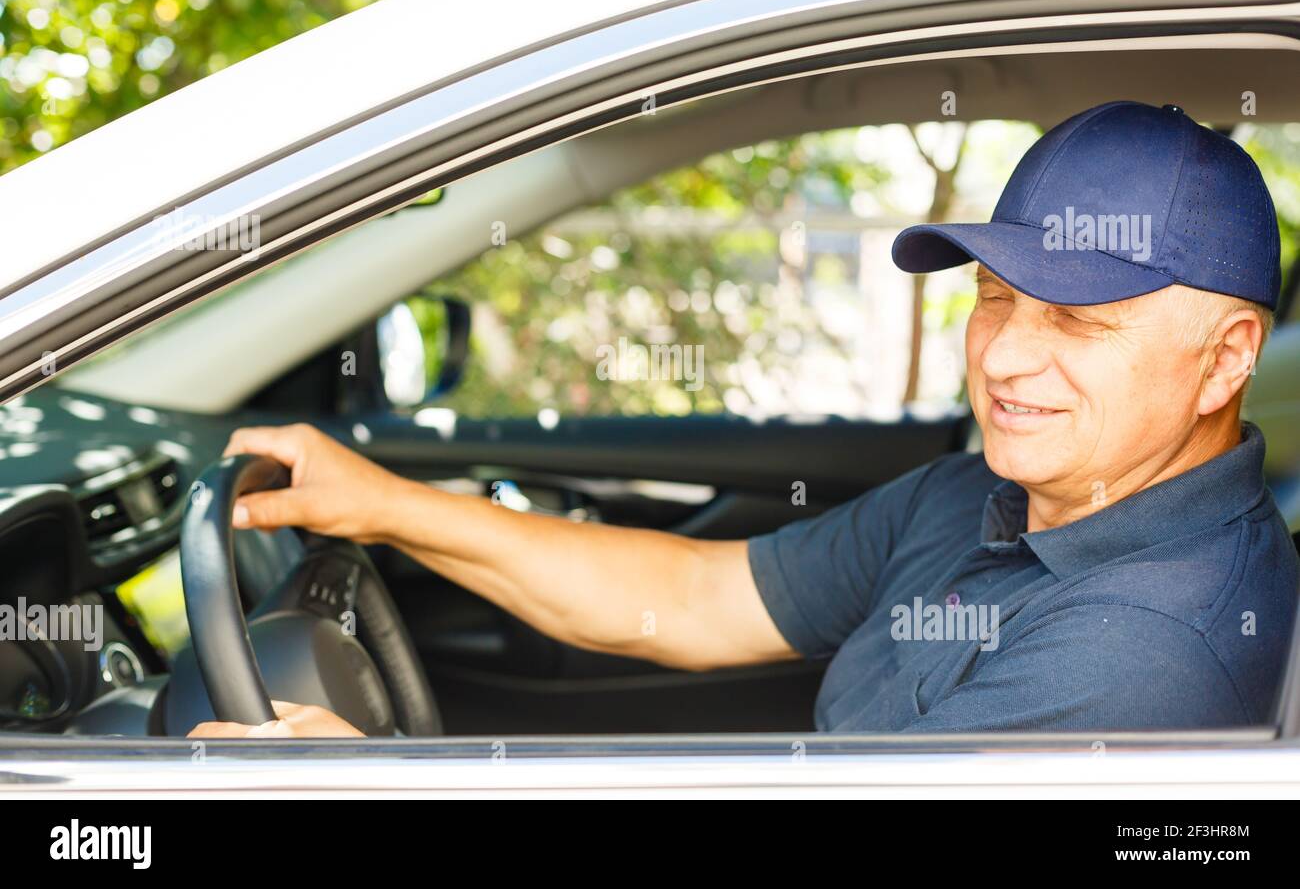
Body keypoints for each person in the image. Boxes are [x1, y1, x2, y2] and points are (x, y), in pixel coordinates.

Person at [191, 101, 1299, 738]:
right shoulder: (984, 495)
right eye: (995, 297)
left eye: (1077, 319)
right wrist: (383, 504)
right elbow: (689, 598)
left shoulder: (1145, 654)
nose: (1004, 355)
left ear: (1223, 362)